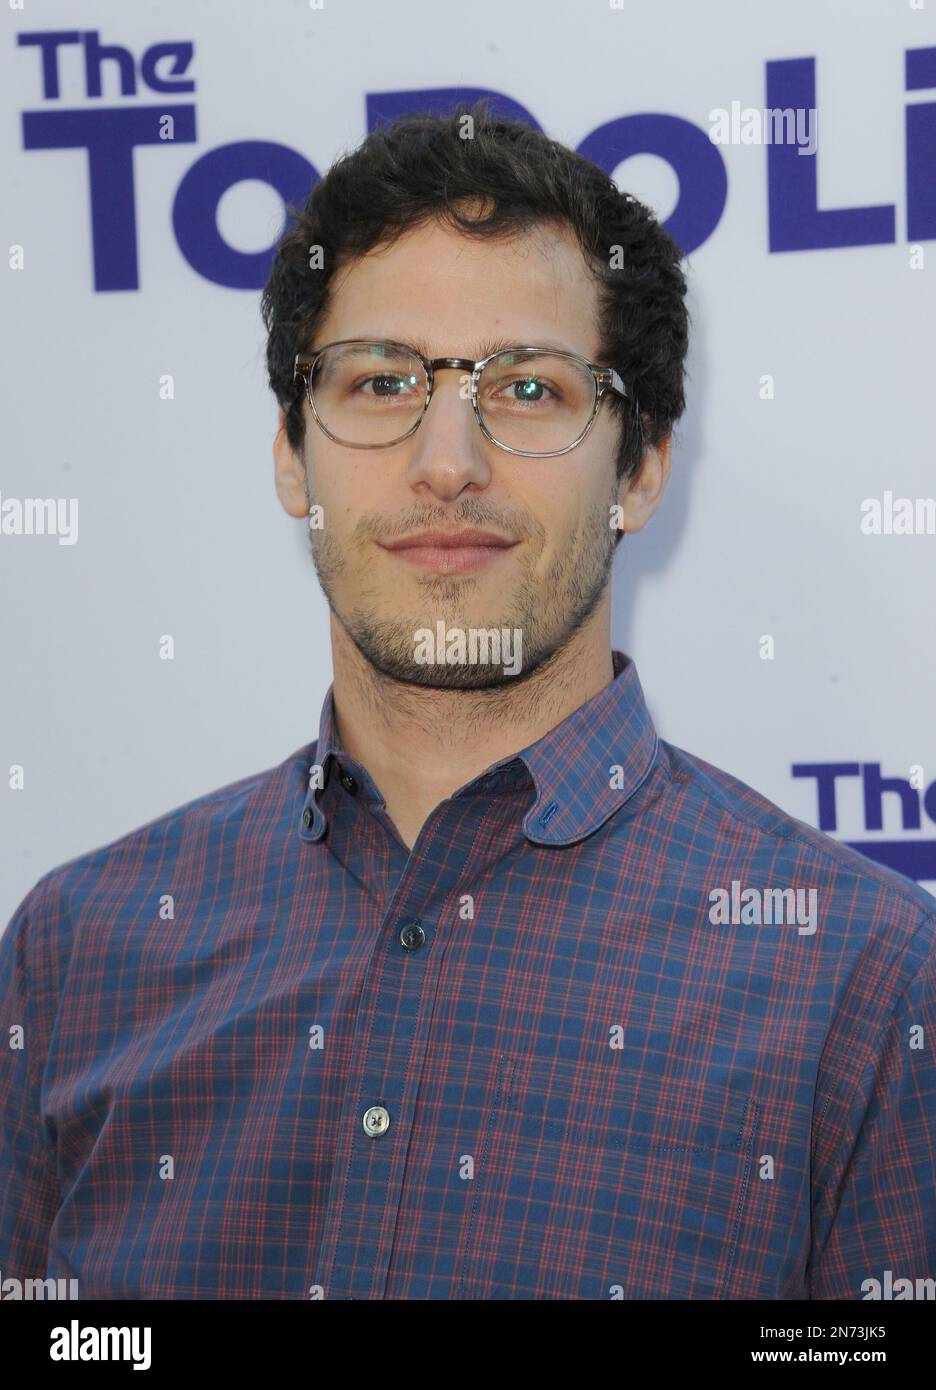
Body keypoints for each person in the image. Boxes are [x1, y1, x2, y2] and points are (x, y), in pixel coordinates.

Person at [2, 100, 933, 1301]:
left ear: (641, 467)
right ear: (294, 453)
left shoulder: (861, 986)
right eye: (383, 382)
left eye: (531, 391)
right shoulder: (75, 956)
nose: (449, 461)